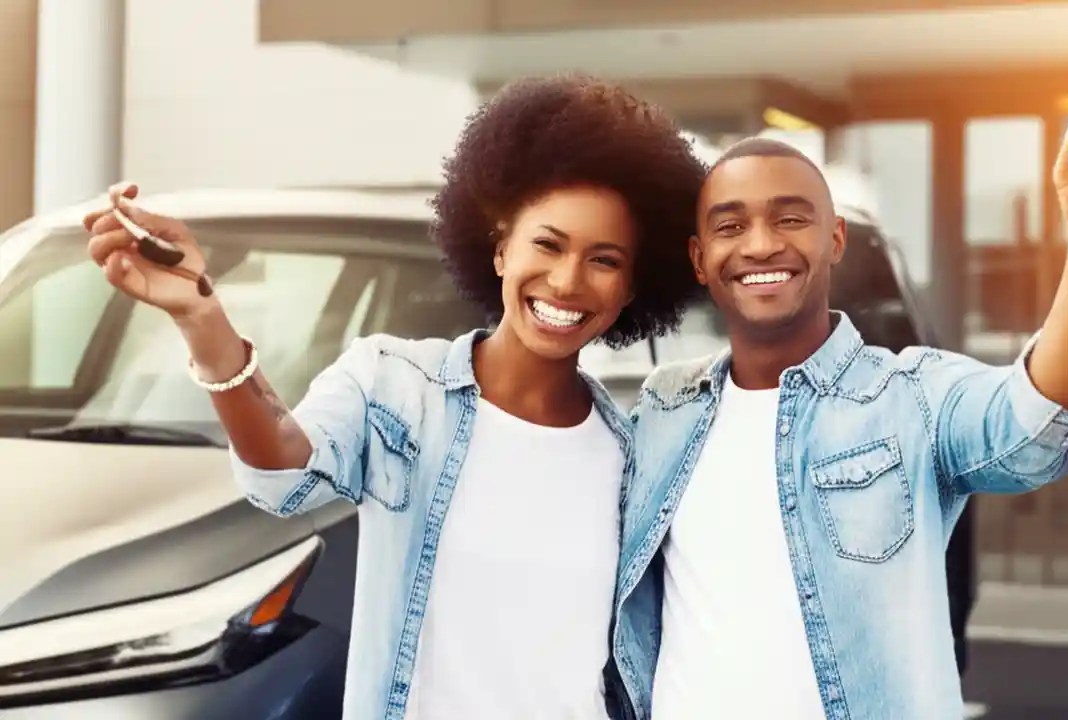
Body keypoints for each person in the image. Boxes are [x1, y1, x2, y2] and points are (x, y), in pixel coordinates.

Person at [82, 75, 706, 720]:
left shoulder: (634, 458)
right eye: (547, 244)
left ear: (633, 287)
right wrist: (202, 319)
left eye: (604, 260)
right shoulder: (396, 388)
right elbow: (282, 476)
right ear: (500, 250)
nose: (567, 280)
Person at [612, 100, 1068, 719]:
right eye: (731, 225)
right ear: (699, 258)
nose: (761, 244)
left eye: (790, 219)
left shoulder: (912, 398)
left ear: (835, 240)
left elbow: (1042, 418)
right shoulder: (663, 410)